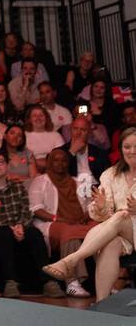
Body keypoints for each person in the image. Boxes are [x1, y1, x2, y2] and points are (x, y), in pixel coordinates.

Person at [42, 127, 136, 302]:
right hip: (120, 233)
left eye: (135, 146)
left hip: (130, 226)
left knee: (121, 215)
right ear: (121, 149)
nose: (132, 151)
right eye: (127, 147)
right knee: (110, 244)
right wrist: (101, 207)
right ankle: (102, 303)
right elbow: (101, 216)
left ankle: (72, 259)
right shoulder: (111, 174)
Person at [0, 150, 62, 298]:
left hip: (19, 227)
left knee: (34, 233)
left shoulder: (18, 187)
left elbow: (27, 211)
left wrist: (21, 225)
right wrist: (11, 228)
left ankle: (48, 282)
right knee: (4, 233)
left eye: (0, 162)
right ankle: (11, 282)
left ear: (7, 164)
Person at [28, 147, 95, 298]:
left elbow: (92, 204)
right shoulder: (40, 181)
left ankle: (111, 280)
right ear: (49, 163)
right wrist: (58, 218)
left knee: (102, 229)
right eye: (56, 160)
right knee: (68, 232)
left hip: (79, 223)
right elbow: (36, 209)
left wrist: (87, 213)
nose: (60, 164)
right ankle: (72, 282)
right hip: (53, 223)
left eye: (64, 160)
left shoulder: (79, 182)